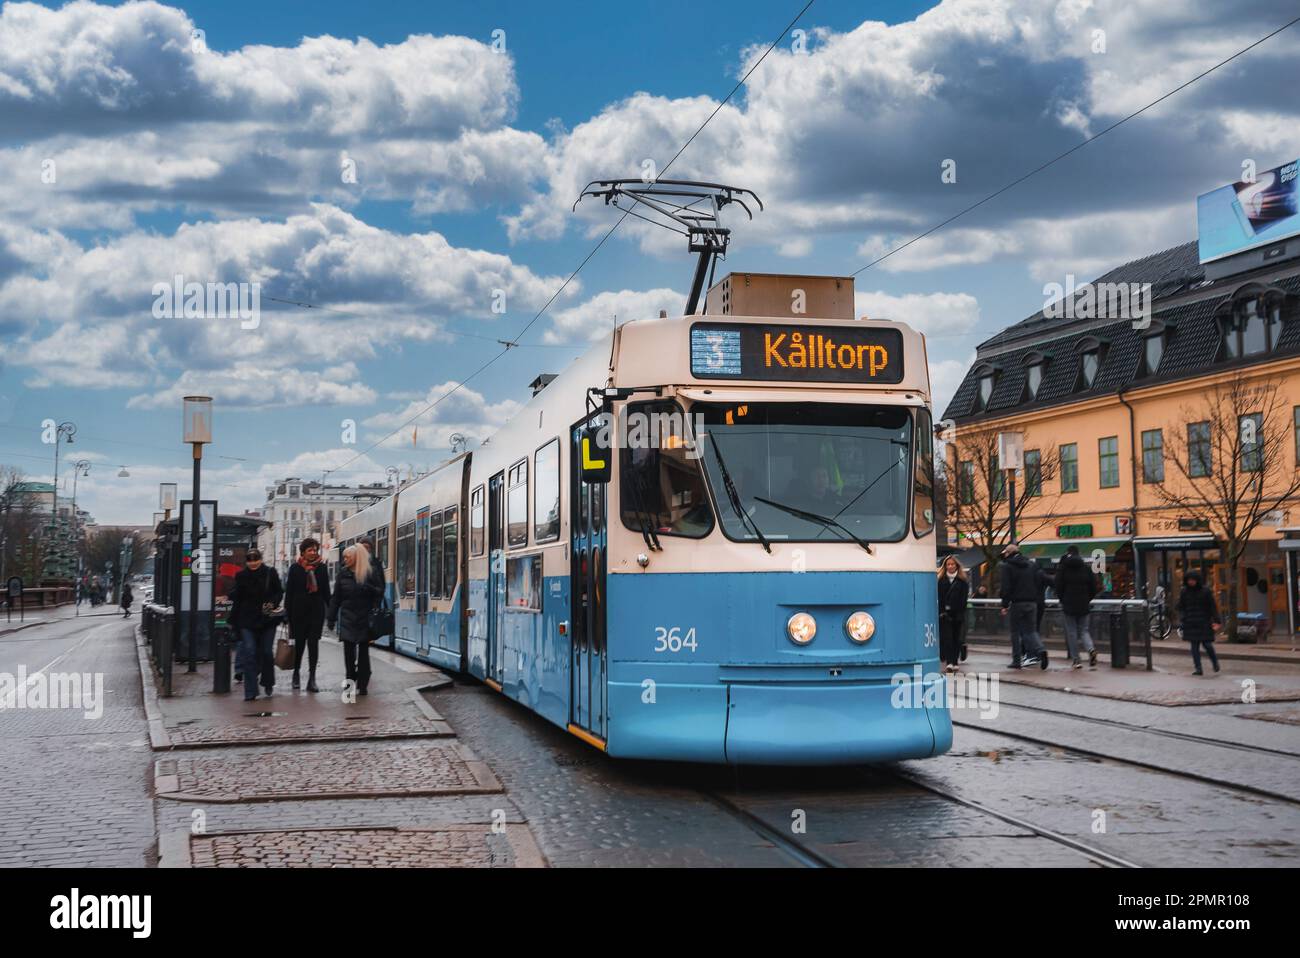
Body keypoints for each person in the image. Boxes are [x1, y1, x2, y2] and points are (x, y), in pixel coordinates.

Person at [328, 542, 382, 696]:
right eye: (344, 557)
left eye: (348, 557)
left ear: (356, 557)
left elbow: (379, 592)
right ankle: (350, 684)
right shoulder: (342, 574)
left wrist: (369, 589)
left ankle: (363, 685)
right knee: (349, 656)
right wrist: (331, 618)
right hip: (347, 619)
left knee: (364, 655)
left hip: (365, 618)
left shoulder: (369, 573)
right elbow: (336, 598)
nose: (345, 560)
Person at [229, 548, 284, 701]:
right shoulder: (241, 576)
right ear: (247, 561)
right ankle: (250, 691)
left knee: (267, 652)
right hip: (247, 619)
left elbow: (279, 591)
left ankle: (267, 681)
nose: (253, 563)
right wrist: (234, 620)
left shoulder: (270, 573)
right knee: (250, 651)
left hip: (267, 619)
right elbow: (238, 598)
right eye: (250, 560)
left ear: (260, 559)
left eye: (256, 559)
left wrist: (272, 603)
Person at [285, 538, 331, 692]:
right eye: (310, 550)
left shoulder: (322, 568)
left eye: (315, 550)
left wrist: (331, 611)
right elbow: (289, 593)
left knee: (313, 644)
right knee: (299, 644)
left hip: (316, 611)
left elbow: (325, 592)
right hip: (298, 612)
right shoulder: (295, 569)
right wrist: (287, 614)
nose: (313, 553)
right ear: (303, 552)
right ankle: (296, 673)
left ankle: (312, 678)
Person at [999, 543, 1048, 669]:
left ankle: (1016, 660)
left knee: (1015, 632)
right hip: (1032, 602)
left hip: (1017, 603)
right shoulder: (1031, 565)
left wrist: (1004, 604)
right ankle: (1040, 649)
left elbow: (1006, 587)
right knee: (1031, 631)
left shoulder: (1007, 567)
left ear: (1008, 553)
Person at [1054, 545, 1099, 669]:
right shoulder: (1086, 568)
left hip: (1068, 604)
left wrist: (1063, 599)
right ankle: (1091, 649)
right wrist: (1087, 598)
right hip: (1084, 604)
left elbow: (1057, 586)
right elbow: (1094, 587)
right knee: (1084, 630)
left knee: (1072, 632)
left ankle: (1076, 660)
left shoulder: (1063, 568)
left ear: (1068, 553)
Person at [1176, 571, 1221, 676]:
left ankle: (1214, 662)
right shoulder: (1184, 592)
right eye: (1189, 580)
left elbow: (1212, 606)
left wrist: (1216, 620)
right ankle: (1198, 668)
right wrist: (1183, 617)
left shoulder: (1205, 591)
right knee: (1194, 646)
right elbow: (1181, 606)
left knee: (1207, 644)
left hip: (1204, 621)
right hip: (1190, 622)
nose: (1191, 582)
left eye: (1192, 580)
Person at [937, 557, 969, 673]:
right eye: (948, 565)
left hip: (957, 614)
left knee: (957, 639)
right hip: (945, 615)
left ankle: (955, 661)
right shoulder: (941, 580)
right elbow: (939, 598)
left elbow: (964, 599)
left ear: (957, 566)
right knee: (947, 639)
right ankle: (949, 662)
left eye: (952, 564)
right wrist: (941, 612)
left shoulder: (962, 581)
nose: (950, 566)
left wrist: (960, 612)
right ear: (945, 566)